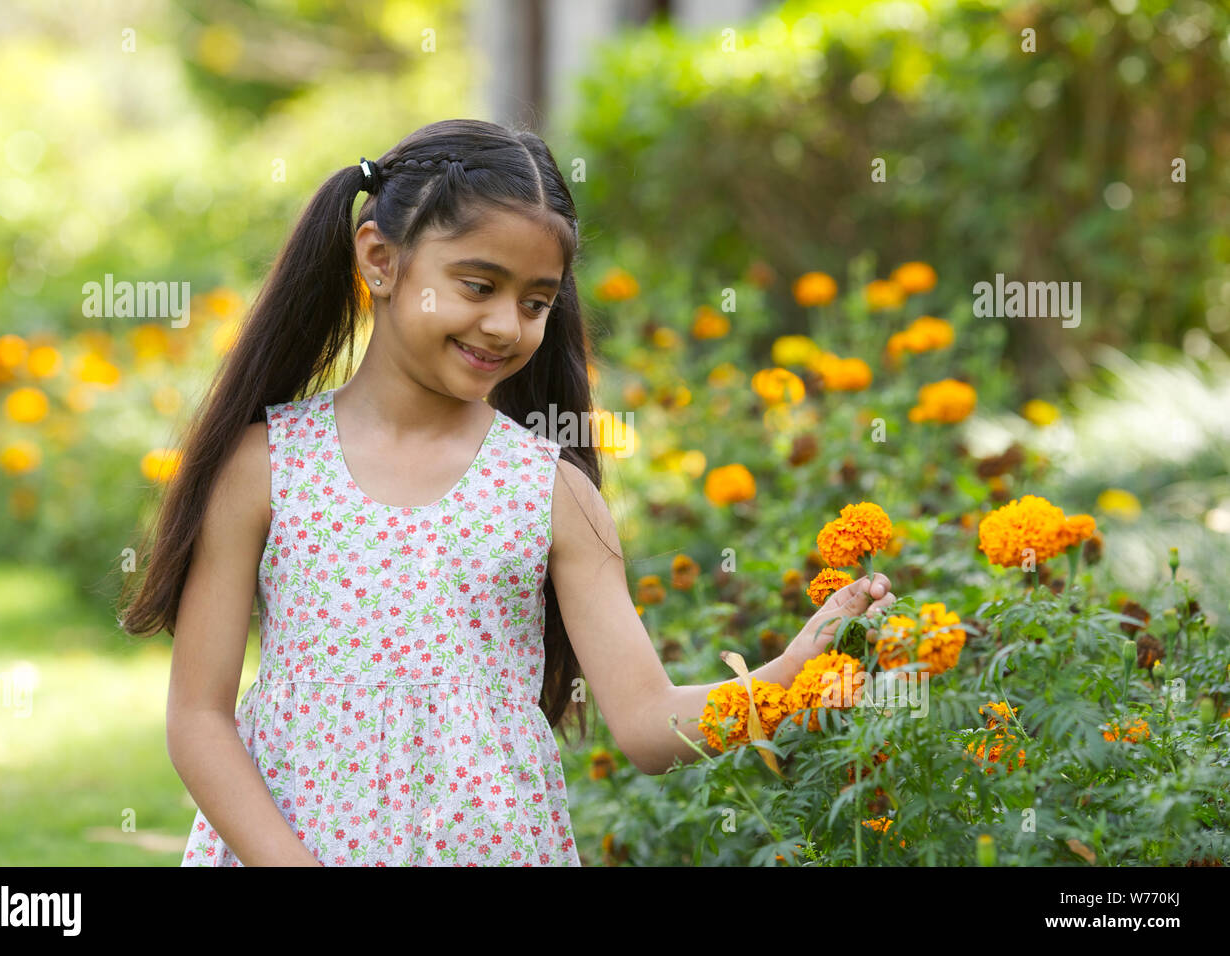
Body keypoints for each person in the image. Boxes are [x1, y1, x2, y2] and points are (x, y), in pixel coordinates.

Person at [116, 118, 894, 867]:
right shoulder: (268, 465)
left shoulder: (551, 492)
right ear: (380, 261)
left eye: (534, 301)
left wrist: (791, 670)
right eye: (478, 285)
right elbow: (198, 717)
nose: (504, 325)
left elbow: (648, 725)